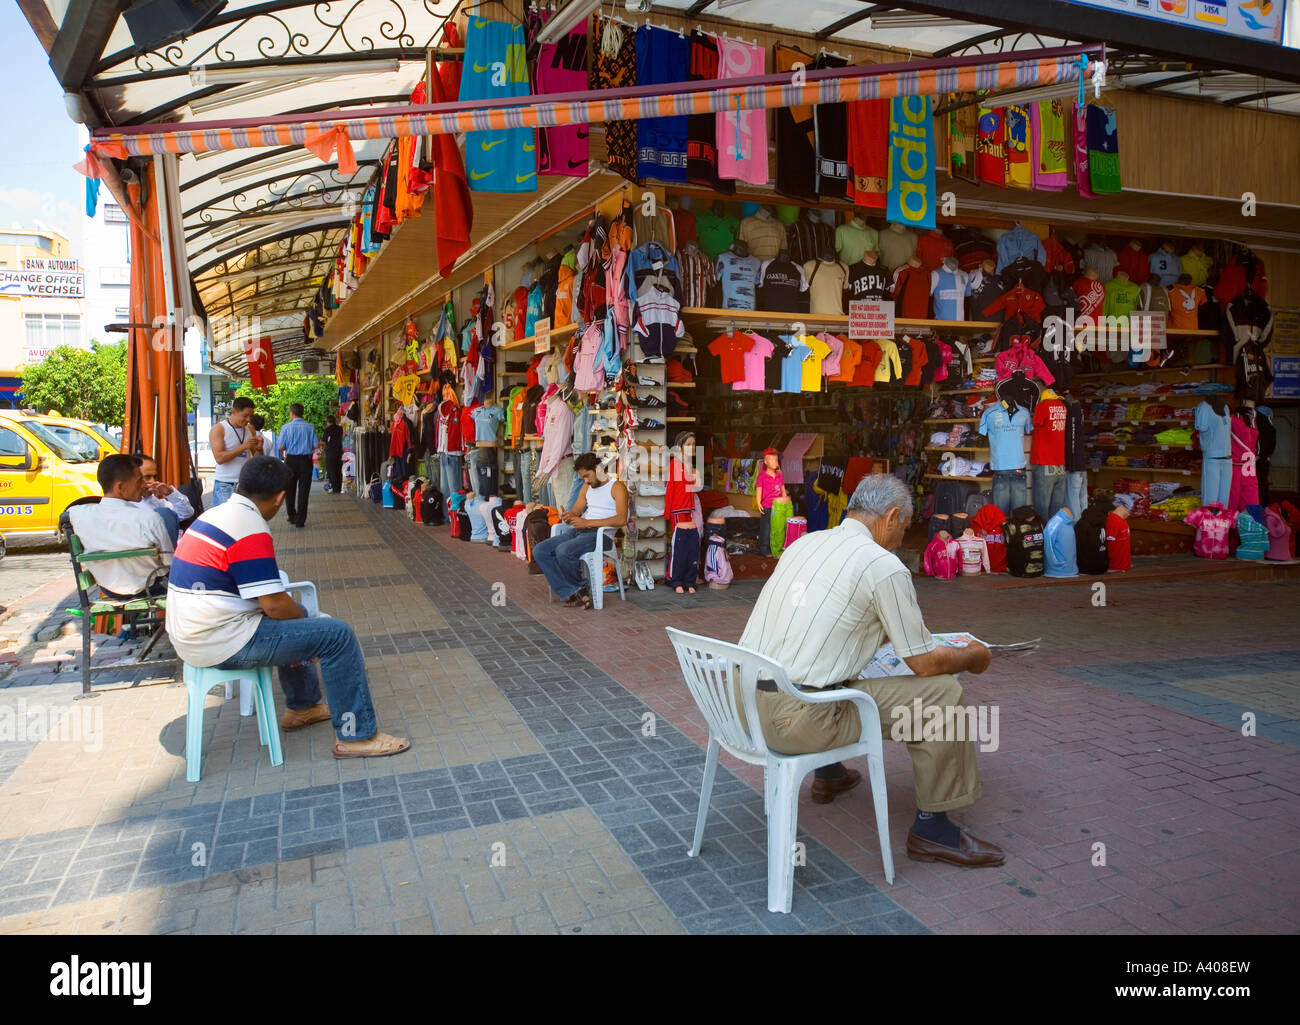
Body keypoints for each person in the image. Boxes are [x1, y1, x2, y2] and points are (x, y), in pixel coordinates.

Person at [737, 474, 1005, 868]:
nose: (901, 538)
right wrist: (972, 655)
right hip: (794, 721)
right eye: (905, 527)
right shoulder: (883, 565)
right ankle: (935, 831)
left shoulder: (807, 543)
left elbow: (824, 624)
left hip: (742, 706)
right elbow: (925, 663)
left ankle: (828, 772)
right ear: (892, 516)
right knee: (942, 694)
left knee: (838, 671)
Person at [166, 456, 409, 758]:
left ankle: (302, 707)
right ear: (281, 497)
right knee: (337, 635)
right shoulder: (250, 526)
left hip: (191, 635)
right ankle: (356, 736)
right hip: (220, 641)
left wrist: (301, 633)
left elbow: (270, 602)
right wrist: (308, 641)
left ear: (240, 485)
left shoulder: (217, 514)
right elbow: (275, 605)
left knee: (303, 619)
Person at [68, 454, 172, 599]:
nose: (143, 484)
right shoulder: (149, 518)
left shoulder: (78, 514)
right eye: (139, 480)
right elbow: (169, 562)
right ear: (121, 487)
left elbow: (66, 515)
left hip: (109, 589)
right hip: (151, 587)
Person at [533, 452, 629, 610]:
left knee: (563, 550)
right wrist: (568, 515)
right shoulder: (587, 487)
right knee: (540, 550)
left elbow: (621, 519)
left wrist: (587, 523)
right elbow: (577, 510)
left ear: (597, 469)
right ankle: (572, 590)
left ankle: (579, 589)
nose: (586, 480)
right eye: (583, 477)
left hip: (600, 535)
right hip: (579, 531)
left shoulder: (617, 487)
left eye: (587, 476)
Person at [665, 432, 702, 595]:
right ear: (680, 447)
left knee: (691, 545)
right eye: (688, 444)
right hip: (678, 510)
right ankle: (675, 578)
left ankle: (689, 579)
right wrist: (668, 512)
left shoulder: (690, 466)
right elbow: (670, 489)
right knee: (679, 545)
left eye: (693, 444)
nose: (692, 447)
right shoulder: (674, 464)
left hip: (689, 509)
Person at [210, 396, 258, 506]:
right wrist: (243, 446)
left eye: (251, 416)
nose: (248, 419)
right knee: (224, 520)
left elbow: (255, 457)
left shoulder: (250, 429)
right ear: (234, 412)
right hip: (225, 484)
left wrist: (259, 447)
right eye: (245, 416)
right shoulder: (219, 429)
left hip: (245, 483)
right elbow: (219, 458)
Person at [277, 403, 318, 528]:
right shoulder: (310, 427)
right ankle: (301, 520)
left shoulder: (286, 427)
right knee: (304, 491)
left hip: (291, 460)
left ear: (291, 413)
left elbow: (281, 446)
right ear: (302, 413)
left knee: (290, 489)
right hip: (306, 460)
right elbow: (315, 445)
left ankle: (292, 515)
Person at [139, 454, 194, 546]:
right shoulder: (127, 504)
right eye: (147, 477)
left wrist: (170, 493)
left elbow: (186, 513)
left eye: (155, 477)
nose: (153, 481)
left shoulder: (154, 500)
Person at [754, 446, 789, 557]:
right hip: (767, 506)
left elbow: (783, 490)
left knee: (778, 527)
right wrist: (758, 502)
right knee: (766, 527)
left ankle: (777, 547)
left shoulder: (779, 476)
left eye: (776, 459)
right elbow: (758, 490)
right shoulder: (762, 477)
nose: (775, 462)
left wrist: (786, 501)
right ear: (765, 461)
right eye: (772, 460)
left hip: (778, 507)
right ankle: (764, 548)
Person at [323, 414, 343, 494]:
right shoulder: (339, 428)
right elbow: (342, 437)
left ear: (328, 421)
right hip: (339, 451)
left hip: (330, 452)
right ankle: (339, 486)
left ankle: (334, 488)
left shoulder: (327, 430)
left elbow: (324, 441)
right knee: (338, 469)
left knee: (331, 470)